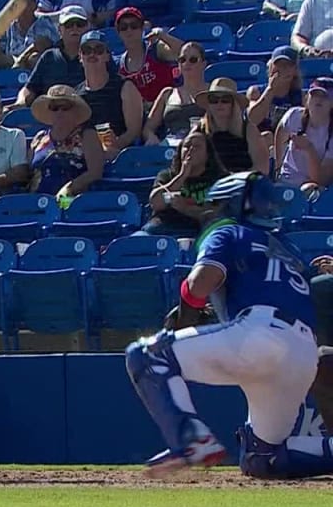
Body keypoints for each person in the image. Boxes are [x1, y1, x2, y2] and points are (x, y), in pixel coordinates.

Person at [125, 171, 333, 480]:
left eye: (219, 205)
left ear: (234, 205)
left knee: (147, 354)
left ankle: (191, 440)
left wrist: (188, 313)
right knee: (262, 458)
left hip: (262, 334)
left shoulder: (227, 230)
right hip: (302, 354)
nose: (213, 211)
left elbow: (199, 284)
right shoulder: (289, 250)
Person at [142, 130, 227, 237]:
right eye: (186, 146)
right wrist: (182, 175)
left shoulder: (219, 180)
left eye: (197, 146)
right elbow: (155, 203)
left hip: (199, 232)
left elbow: (218, 214)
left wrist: (185, 208)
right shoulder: (167, 176)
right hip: (163, 228)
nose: (190, 149)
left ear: (207, 155)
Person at [28, 84, 104, 200]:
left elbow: (95, 172)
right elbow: (29, 173)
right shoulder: (39, 138)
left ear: (75, 110)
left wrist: (69, 189)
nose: (59, 112)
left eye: (65, 107)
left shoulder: (87, 135)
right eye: (54, 108)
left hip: (72, 201)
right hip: (37, 204)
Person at [76, 29, 142, 160]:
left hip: (121, 155)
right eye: (87, 50)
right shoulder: (76, 95)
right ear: (80, 57)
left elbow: (134, 131)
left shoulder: (125, 87)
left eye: (99, 49)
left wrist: (117, 143)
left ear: (107, 55)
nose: (92, 54)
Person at [12, 5, 89, 108]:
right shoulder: (49, 57)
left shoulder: (96, 55)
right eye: (68, 25)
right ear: (59, 30)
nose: (74, 28)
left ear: (87, 27)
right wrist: (21, 102)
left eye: (79, 24)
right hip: (50, 114)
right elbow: (30, 88)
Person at [195, 77, 269, 174]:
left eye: (225, 100)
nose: (219, 104)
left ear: (234, 103)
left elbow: (262, 167)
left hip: (242, 184)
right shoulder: (200, 129)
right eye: (214, 99)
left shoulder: (248, 129)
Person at [274, 77, 333, 196]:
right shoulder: (294, 115)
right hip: (286, 180)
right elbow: (280, 132)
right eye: (315, 95)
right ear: (307, 98)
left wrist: (309, 149)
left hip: (315, 189)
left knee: (310, 188)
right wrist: (278, 165)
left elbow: (321, 179)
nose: (319, 99)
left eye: (325, 97)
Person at [142, 41, 208, 145]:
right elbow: (148, 128)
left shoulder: (211, 91)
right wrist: (151, 137)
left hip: (201, 144)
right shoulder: (167, 93)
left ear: (203, 64)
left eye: (193, 60)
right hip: (171, 146)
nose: (187, 63)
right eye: (182, 60)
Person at [113, 7, 182, 105]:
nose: (129, 30)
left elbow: (185, 53)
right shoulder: (118, 65)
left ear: (142, 28)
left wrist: (163, 36)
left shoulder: (156, 49)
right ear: (118, 32)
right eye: (123, 27)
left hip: (167, 108)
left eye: (134, 25)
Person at [247, 46, 304, 140]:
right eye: (279, 65)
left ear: (295, 70)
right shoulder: (256, 91)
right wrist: (270, 89)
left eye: (288, 65)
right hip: (261, 142)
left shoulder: (300, 96)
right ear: (271, 67)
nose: (283, 69)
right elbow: (252, 120)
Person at [0, 0, 58, 70]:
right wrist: (12, 61)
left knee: (34, 58)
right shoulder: (7, 26)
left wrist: (21, 59)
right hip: (11, 71)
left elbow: (43, 43)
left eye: (26, 3)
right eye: (16, 3)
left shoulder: (43, 21)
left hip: (36, 72)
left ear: (35, 5)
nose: (22, 7)